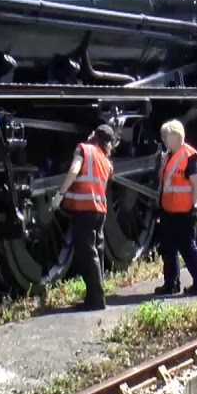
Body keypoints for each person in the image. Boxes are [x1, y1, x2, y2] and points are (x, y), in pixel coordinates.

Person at [52, 124, 116, 312]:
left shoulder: (84, 149)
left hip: (84, 209)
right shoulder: (105, 159)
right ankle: (95, 294)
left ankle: (96, 300)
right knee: (97, 250)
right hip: (99, 211)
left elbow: (74, 170)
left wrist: (60, 193)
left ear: (93, 135)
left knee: (88, 253)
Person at [152, 120, 197, 297]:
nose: (163, 139)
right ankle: (171, 283)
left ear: (177, 136)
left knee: (187, 247)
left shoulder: (190, 156)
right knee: (168, 248)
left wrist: (195, 206)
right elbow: (164, 182)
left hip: (185, 211)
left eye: (166, 136)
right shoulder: (169, 155)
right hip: (169, 209)